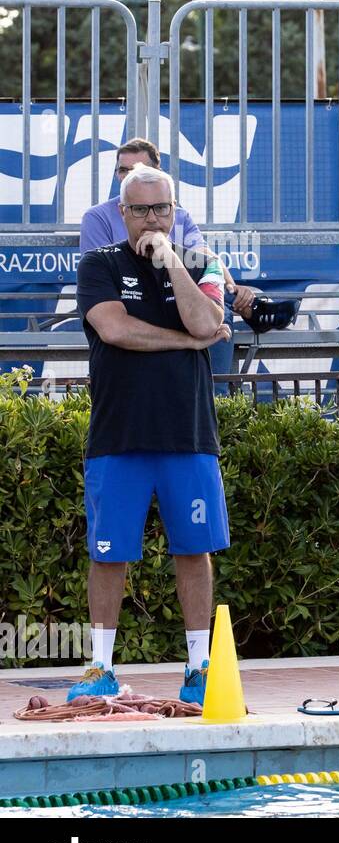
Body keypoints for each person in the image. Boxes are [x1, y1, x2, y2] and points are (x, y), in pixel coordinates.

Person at [69, 164, 234, 704]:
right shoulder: (98, 263)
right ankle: (99, 669)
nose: (151, 220)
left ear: (174, 211)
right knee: (109, 552)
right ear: (122, 214)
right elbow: (115, 329)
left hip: (187, 434)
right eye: (140, 210)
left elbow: (208, 323)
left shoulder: (202, 263)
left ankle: (198, 668)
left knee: (194, 549)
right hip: (119, 434)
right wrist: (186, 343)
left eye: (160, 209)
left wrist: (173, 263)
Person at [79, 138, 299, 381]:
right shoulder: (98, 216)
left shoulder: (178, 214)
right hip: (133, 291)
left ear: (157, 172)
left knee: (214, 296)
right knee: (212, 299)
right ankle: (252, 311)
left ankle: (217, 390)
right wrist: (189, 339)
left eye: (138, 169)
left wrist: (230, 286)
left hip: (180, 286)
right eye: (123, 170)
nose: (128, 175)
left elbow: (204, 258)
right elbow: (108, 272)